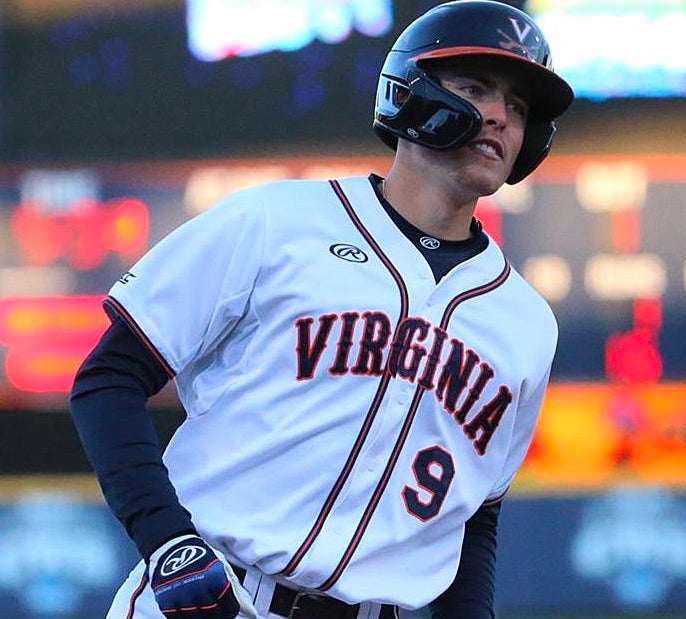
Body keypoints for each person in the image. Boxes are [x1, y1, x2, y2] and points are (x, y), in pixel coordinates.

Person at [67, 2, 574, 618]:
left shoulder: (523, 324)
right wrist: (167, 542)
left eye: (517, 107)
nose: (498, 114)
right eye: (474, 87)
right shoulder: (276, 222)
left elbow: (475, 517)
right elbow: (109, 377)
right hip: (212, 596)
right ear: (409, 93)